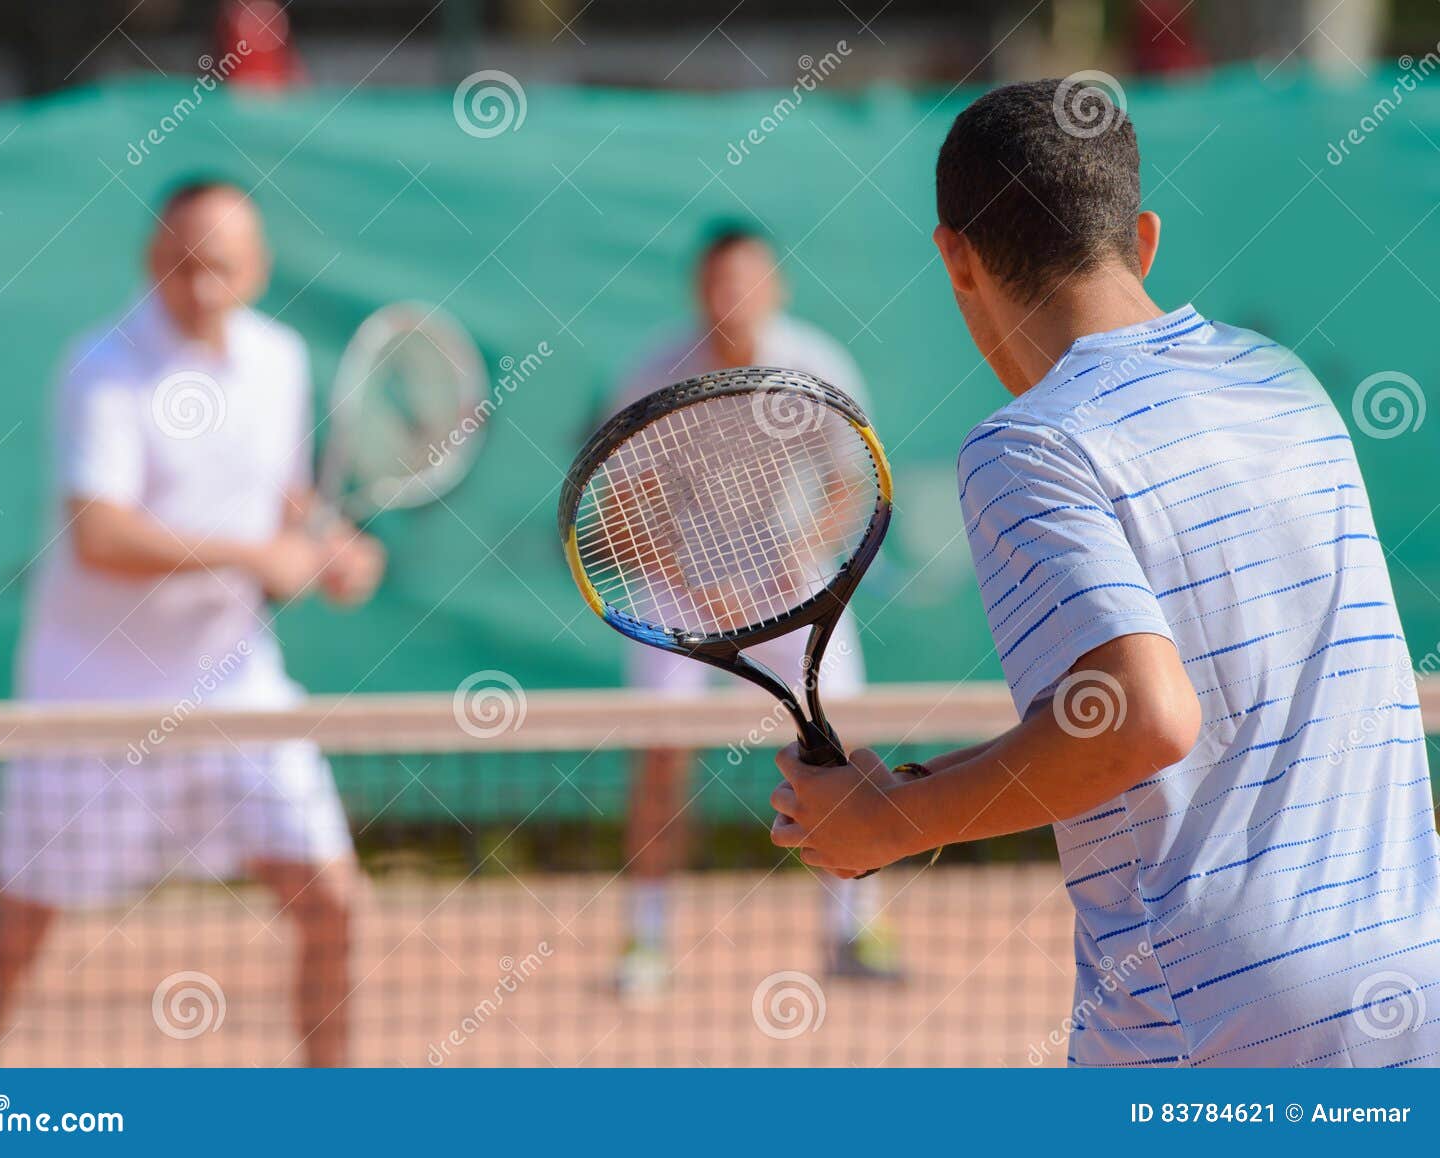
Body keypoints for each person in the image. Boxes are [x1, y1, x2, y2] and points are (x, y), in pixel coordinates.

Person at [769, 79, 1440, 1066]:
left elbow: (1140, 719)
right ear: (1144, 240)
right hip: (1410, 979)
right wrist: (905, 791)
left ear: (956, 260)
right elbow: (1148, 717)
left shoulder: (1028, 445)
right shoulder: (1280, 382)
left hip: (1215, 1023)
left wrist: (892, 826)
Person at [0, 179, 383, 1067]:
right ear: (151, 261)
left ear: (258, 270)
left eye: (222, 267)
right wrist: (256, 557)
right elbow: (99, 535)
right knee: (16, 933)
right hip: (91, 692)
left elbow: (283, 496)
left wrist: (329, 546)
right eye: (182, 265)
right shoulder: (100, 366)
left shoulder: (281, 360)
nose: (201, 286)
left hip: (234, 684)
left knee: (333, 906)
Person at [611, 223, 902, 996]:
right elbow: (624, 507)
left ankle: (855, 928)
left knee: (842, 743)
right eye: (718, 284)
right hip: (680, 591)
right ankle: (645, 941)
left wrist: (798, 558)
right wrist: (692, 582)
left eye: (747, 283)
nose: (732, 299)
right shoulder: (654, 374)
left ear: (776, 290)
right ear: (698, 292)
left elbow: (850, 484)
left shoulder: (816, 367)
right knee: (662, 752)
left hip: (795, 589)